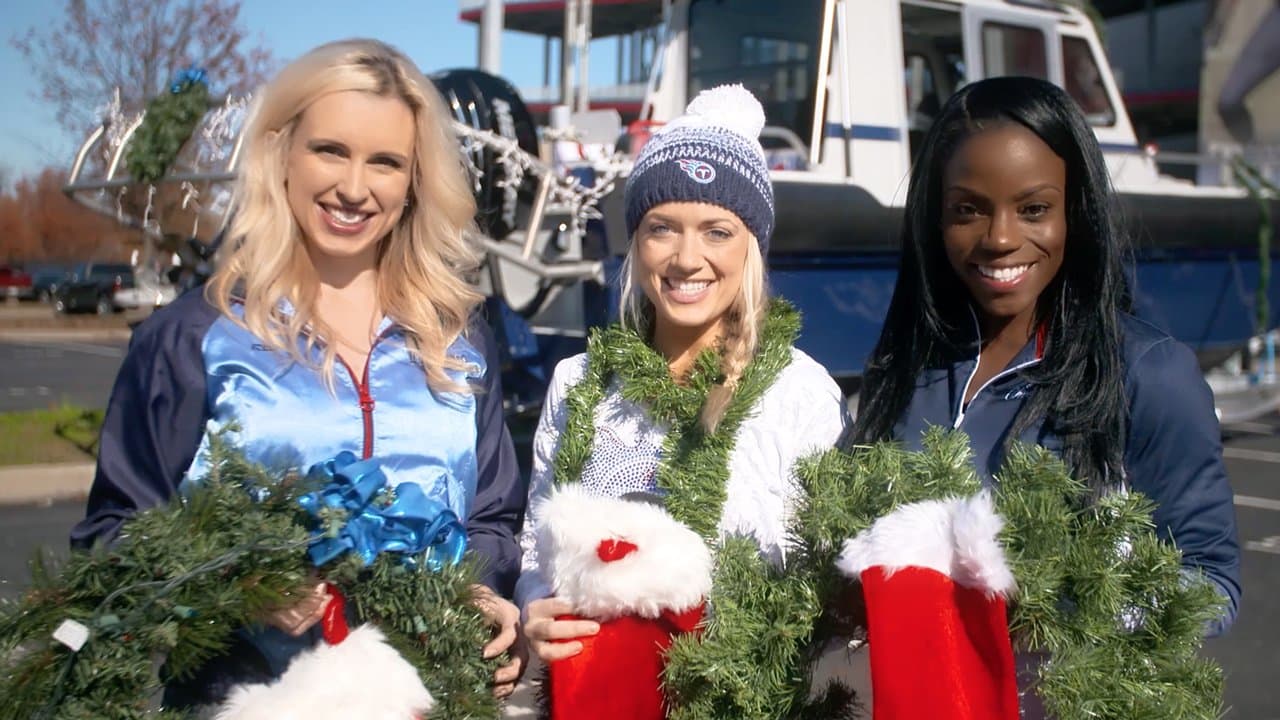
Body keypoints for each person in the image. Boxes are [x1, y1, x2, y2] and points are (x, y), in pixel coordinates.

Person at [71, 39, 526, 707]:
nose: (353, 186)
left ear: (415, 181)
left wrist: (484, 592)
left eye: (386, 162)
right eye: (331, 150)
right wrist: (237, 586)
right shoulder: (195, 337)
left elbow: (490, 515)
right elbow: (113, 536)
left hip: (430, 700)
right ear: (281, 153)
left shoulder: (457, 340)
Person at [848, 76, 1241, 637]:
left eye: (1033, 209)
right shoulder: (905, 368)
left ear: (1075, 213)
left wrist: (1067, 623)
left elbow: (1210, 578)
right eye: (968, 211)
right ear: (935, 221)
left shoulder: (1149, 374)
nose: (1000, 238)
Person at [515, 84, 847, 686]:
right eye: (662, 228)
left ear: (752, 245)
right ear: (637, 243)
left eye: (716, 231)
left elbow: (819, 587)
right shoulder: (579, 383)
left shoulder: (799, 393)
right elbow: (539, 548)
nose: (686, 258)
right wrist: (534, 609)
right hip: (596, 693)